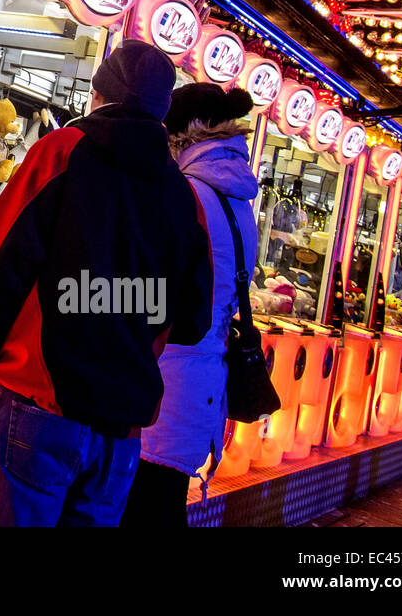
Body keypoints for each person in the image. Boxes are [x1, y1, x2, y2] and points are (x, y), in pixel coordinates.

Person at [0, 39, 213, 527]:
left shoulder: (62, 152)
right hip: (121, 431)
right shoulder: (182, 195)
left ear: (99, 96)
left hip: (39, 403)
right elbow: (195, 319)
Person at [120, 83, 258, 527]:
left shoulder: (189, 194)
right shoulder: (238, 204)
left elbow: (147, 290)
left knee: (142, 508)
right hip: (200, 384)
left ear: (180, 137)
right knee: (160, 505)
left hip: (165, 382)